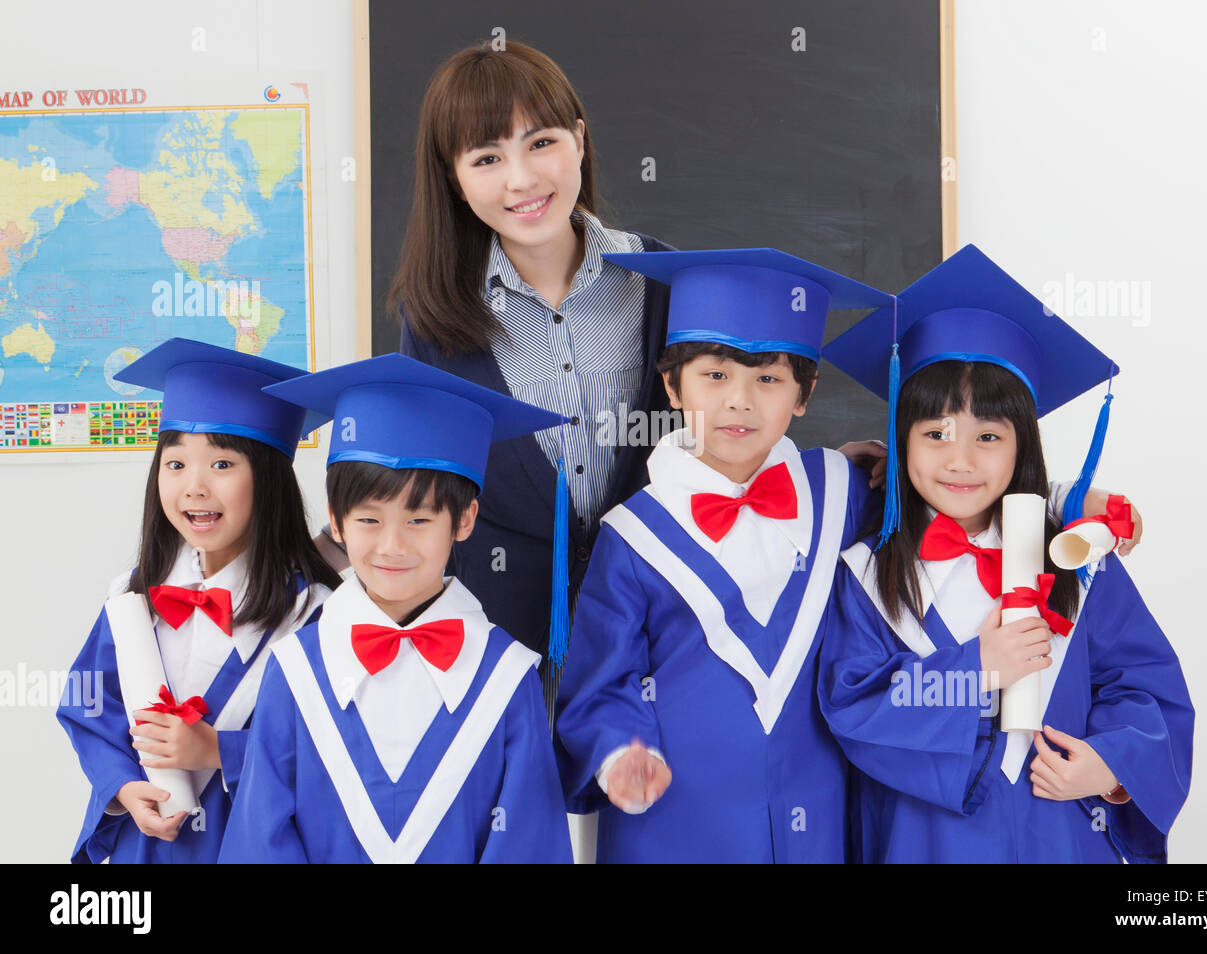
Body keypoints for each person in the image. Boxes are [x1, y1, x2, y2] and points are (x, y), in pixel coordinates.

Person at [817, 245, 1194, 863]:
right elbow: (854, 707)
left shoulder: (1078, 560)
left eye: (988, 436)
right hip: (928, 844)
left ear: (1022, 448)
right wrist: (976, 671)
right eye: (935, 434)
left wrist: (1110, 768)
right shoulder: (868, 576)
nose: (960, 460)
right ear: (899, 441)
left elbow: (1146, 687)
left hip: (1062, 832)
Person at [554, 249, 903, 862]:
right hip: (676, 826)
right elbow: (601, 684)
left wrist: (1061, 500)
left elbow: (957, 501)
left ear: (805, 393)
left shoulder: (843, 494)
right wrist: (621, 753)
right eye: (714, 376)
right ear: (671, 384)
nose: (739, 401)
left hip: (818, 819)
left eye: (767, 379)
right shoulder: (632, 535)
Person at [385, 41, 674, 694]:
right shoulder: (432, 319)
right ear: (454, 178)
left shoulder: (662, 284)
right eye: (487, 158)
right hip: (495, 644)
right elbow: (424, 483)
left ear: (578, 138)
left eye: (540, 142)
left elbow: (714, 441)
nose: (521, 179)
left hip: (655, 633)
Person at [219, 354, 573, 863]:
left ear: (465, 520)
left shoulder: (507, 676)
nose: (392, 546)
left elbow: (528, 841)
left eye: (420, 520)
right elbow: (261, 837)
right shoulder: (295, 670)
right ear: (336, 524)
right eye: (368, 520)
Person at [56, 338, 340, 863]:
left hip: (252, 842)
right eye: (176, 463)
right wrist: (122, 786)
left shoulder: (313, 615)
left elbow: (332, 753)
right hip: (149, 842)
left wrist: (218, 750)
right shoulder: (135, 595)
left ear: (270, 480)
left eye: (223, 465)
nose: (194, 487)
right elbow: (89, 704)